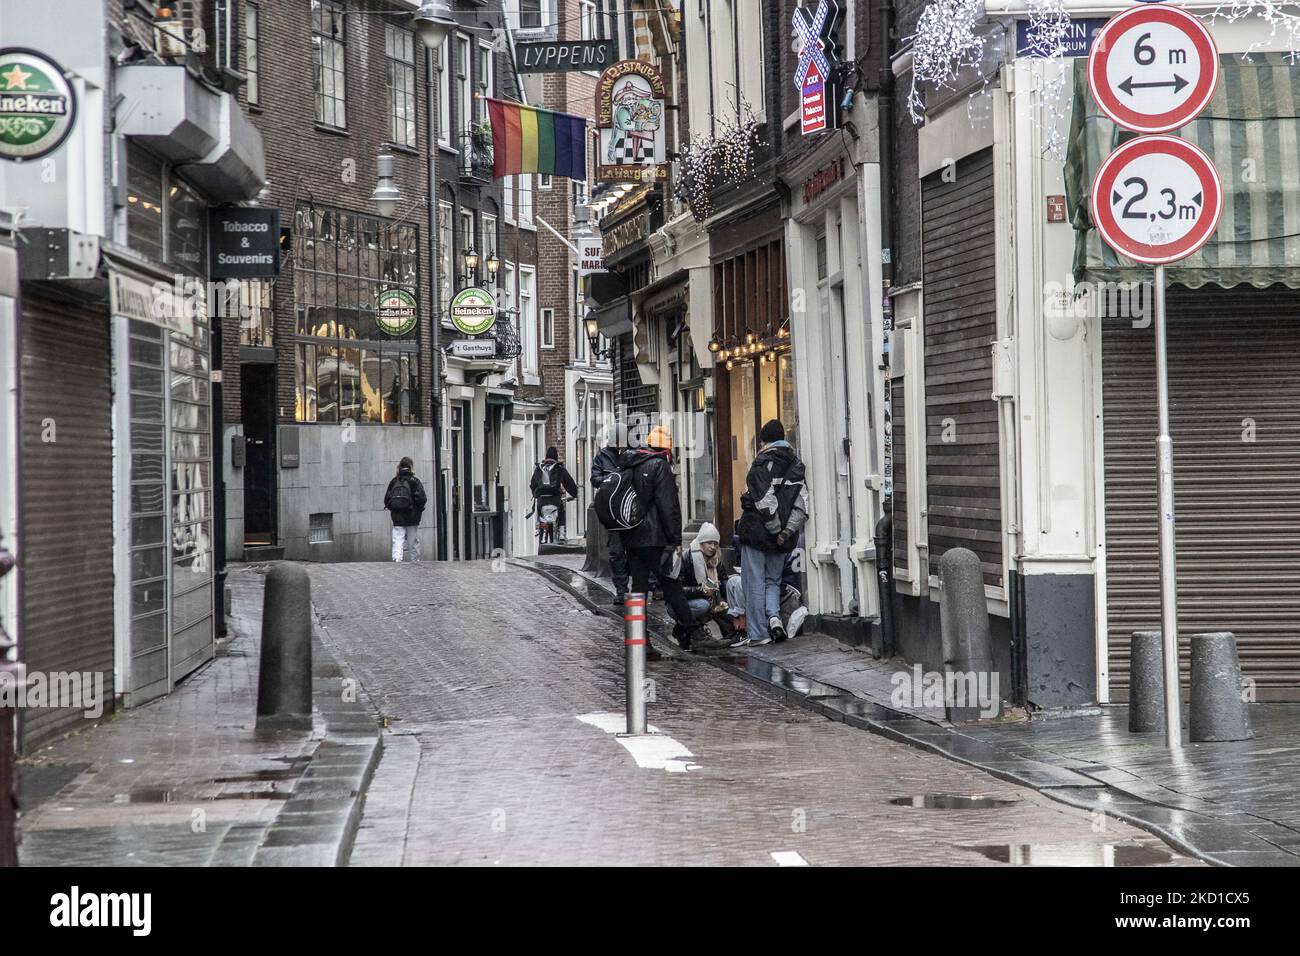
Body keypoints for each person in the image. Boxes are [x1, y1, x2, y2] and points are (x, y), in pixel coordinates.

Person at [617, 425, 696, 649]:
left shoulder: (630, 464)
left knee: (639, 589)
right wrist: (675, 540)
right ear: (666, 448)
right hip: (656, 539)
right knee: (670, 583)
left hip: (632, 539)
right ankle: (689, 629)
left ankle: (641, 640)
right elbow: (667, 506)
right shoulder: (659, 465)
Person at [734, 419, 808, 646]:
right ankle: (775, 620)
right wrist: (786, 531)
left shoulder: (761, 463)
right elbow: (801, 503)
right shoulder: (796, 464)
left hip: (757, 533)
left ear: (764, 441)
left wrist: (775, 528)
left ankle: (758, 633)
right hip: (783, 538)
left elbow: (764, 501)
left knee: (754, 582)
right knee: (773, 581)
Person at [590, 423, 630, 602]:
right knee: (616, 551)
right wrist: (611, 479)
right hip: (612, 512)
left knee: (636, 551)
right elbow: (595, 478)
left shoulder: (631, 455)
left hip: (629, 511)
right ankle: (621, 590)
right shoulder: (602, 456)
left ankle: (642, 588)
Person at [384, 457, 427, 562]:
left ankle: (397, 559)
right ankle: (415, 561)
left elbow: (387, 500)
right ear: (411, 467)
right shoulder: (415, 481)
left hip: (398, 517)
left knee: (397, 540)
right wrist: (418, 509)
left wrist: (395, 508)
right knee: (413, 541)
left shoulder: (394, 481)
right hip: (413, 517)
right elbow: (422, 499)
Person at [531, 446, 579, 539]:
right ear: (556, 456)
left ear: (546, 456)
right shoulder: (559, 467)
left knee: (540, 511)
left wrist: (535, 494)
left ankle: (539, 527)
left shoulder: (539, 468)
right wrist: (574, 494)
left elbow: (533, 484)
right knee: (561, 512)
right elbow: (568, 482)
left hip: (542, 499)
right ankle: (561, 532)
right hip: (555, 499)